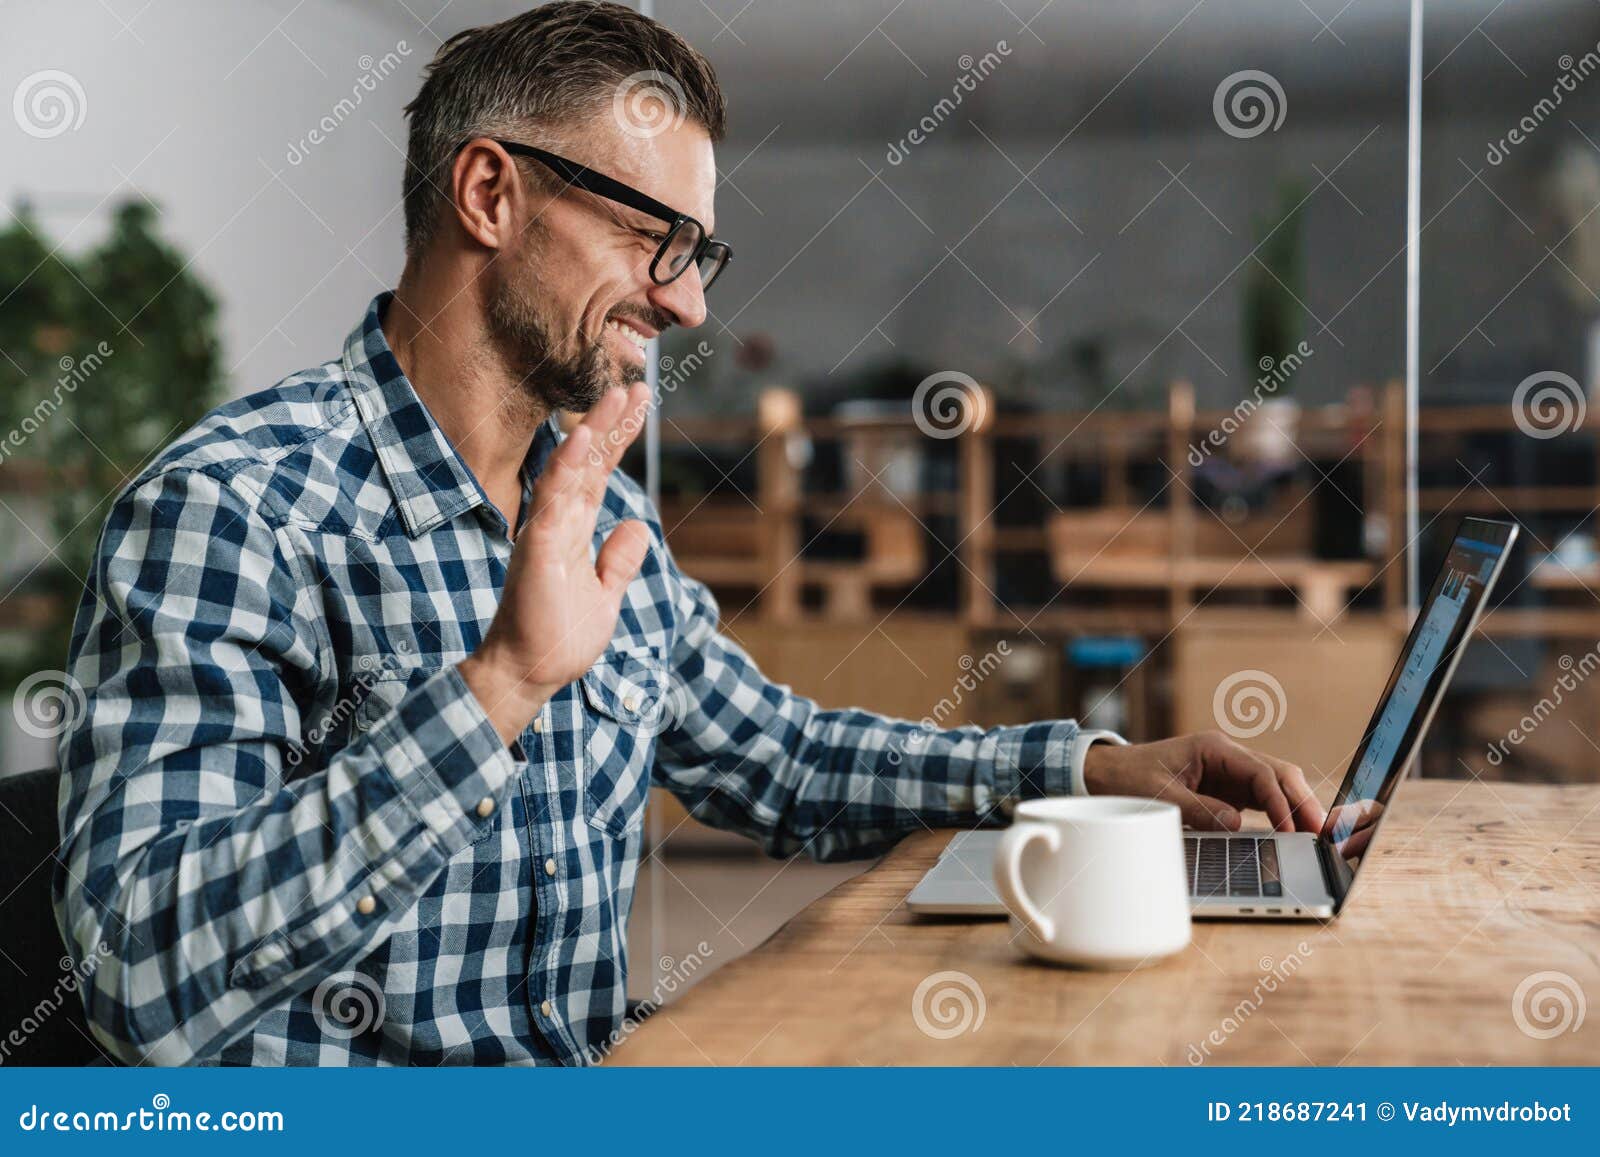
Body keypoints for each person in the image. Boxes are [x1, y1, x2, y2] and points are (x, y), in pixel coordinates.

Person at [55, 1, 1324, 1067]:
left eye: (700, 248)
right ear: (490, 192)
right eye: (650, 235)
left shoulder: (598, 504)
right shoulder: (235, 507)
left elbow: (780, 759)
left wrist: (1086, 770)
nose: (688, 296)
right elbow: (139, 979)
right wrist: (497, 690)